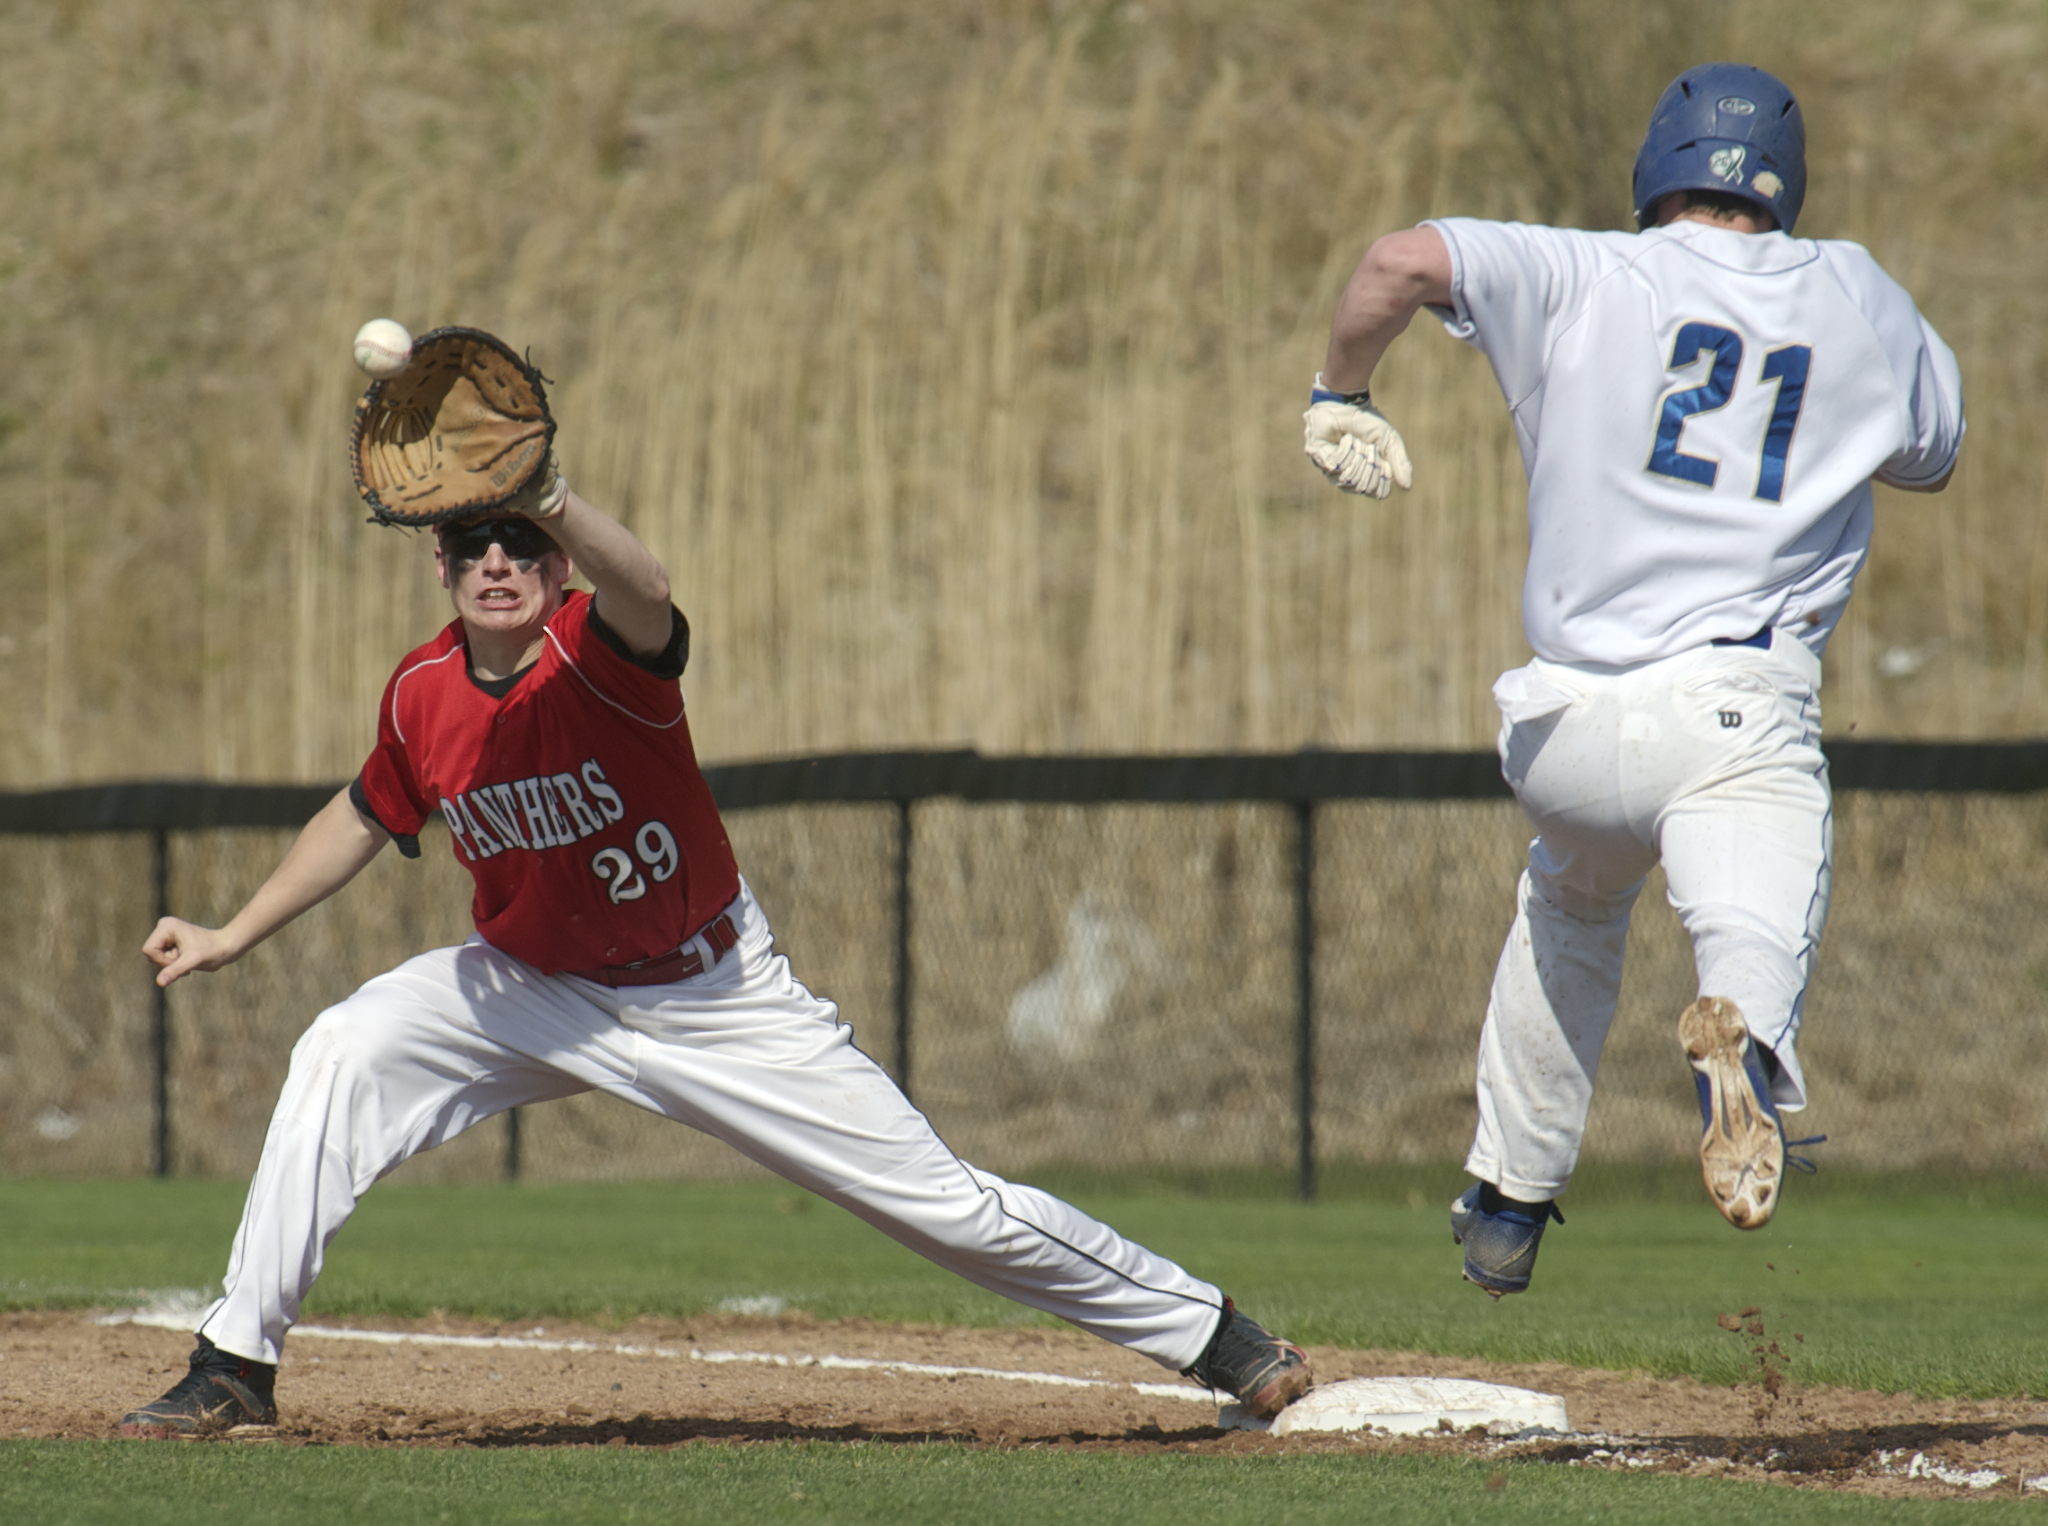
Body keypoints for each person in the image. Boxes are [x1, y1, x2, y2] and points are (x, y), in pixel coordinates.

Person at [119, 453, 1311, 1433]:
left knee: (944, 1207)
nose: (499, 560)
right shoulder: (419, 689)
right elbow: (369, 811)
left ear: (549, 554)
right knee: (345, 1045)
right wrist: (231, 931)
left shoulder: (600, 650)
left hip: (713, 992)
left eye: (521, 540)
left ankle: (1217, 1335)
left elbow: (646, 583)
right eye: (474, 541)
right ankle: (236, 1361)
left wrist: (555, 494)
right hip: (527, 983)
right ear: (437, 562)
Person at [1304, 62, 1963, 1296]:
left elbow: (1396, 262)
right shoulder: (1855, 289)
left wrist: (1336, 390)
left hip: (1563, 724)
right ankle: (1747, 1053)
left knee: (1570, 905)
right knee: (1746, 914)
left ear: (1652, 169)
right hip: (1728, 707)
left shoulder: (1574, 270)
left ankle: (1507, 1195)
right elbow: (1931, 454)